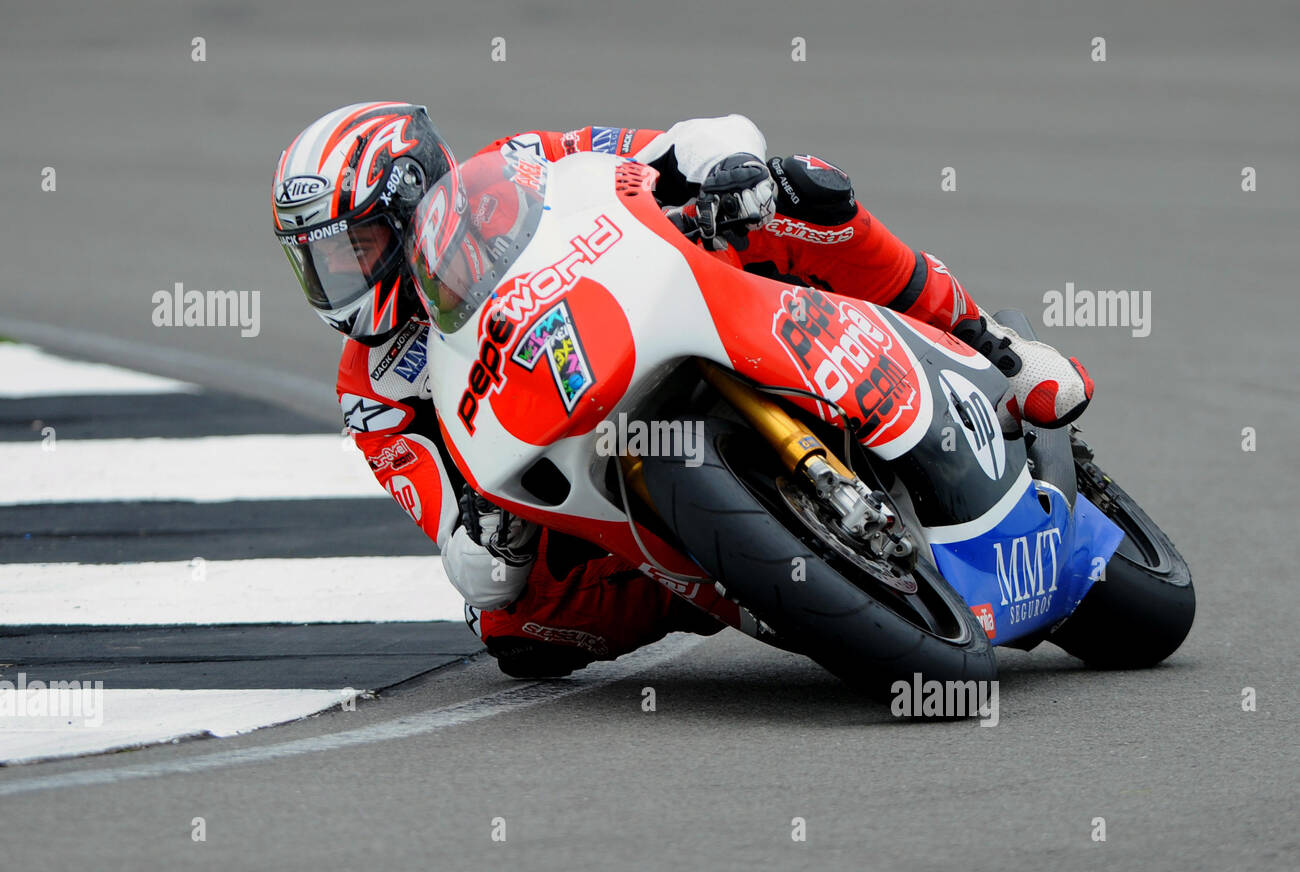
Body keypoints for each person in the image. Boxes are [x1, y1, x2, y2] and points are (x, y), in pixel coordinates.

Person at [273, 102, 1094, 677]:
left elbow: (684, 142)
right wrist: (488, 532)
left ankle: (989, 341)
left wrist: (726, 168)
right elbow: (456, 547)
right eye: (317, 261)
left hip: (665, 299)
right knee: (511, 626)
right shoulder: (372, 392)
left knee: (800, 190)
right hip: (574, 464)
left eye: (354, 247)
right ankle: (726, 567)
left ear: (412, 203)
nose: (338, 279)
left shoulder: (522, 166)